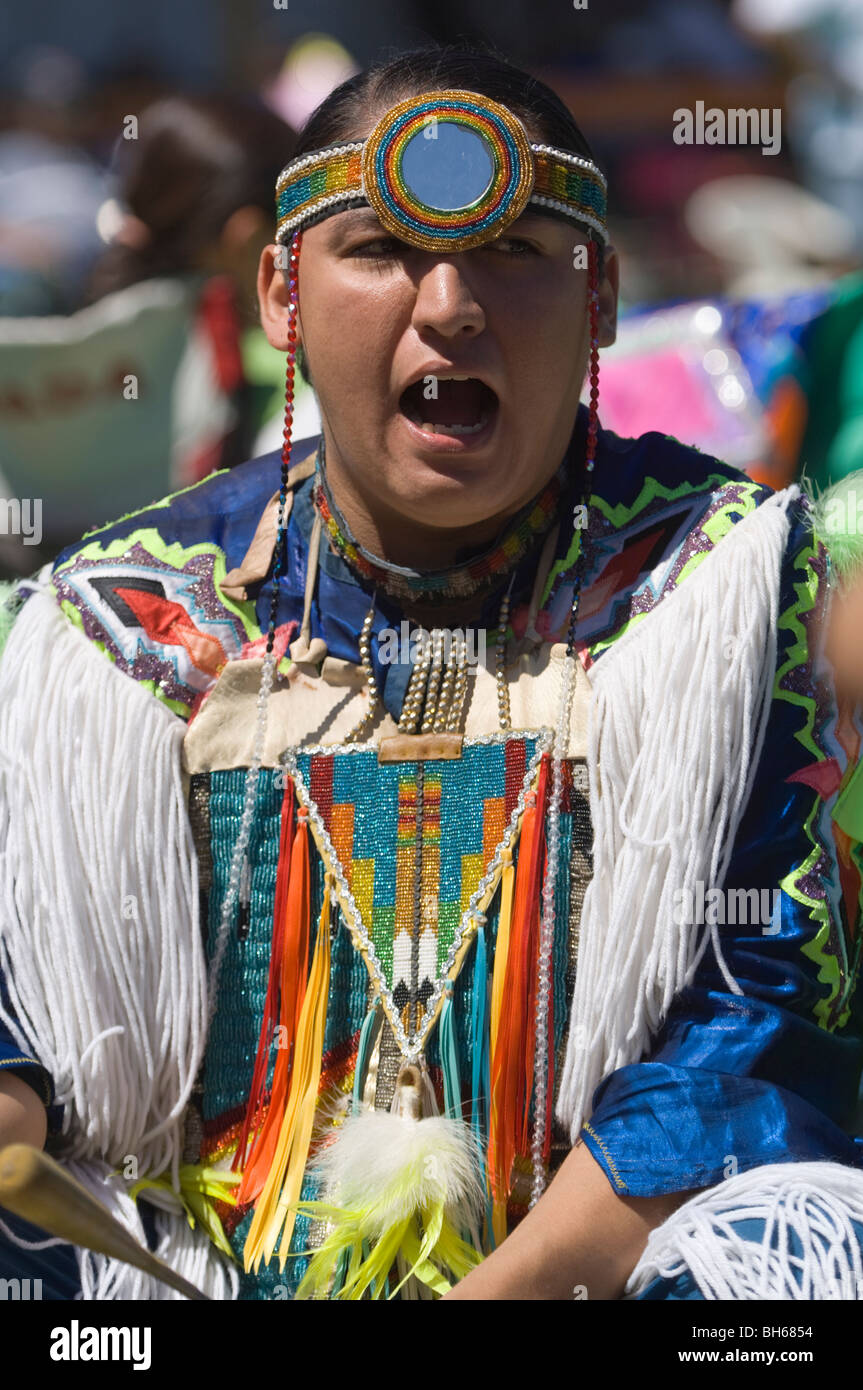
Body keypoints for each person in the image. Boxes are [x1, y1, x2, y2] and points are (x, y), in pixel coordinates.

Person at [1, 42, 863, 1302]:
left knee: (790, 1260)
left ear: (603, 295)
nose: (449, 306)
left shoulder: (722, 584)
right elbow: (27, 1014)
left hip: (589, 1280)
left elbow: (753, 1032)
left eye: (516, 251)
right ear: (282, 296)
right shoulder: (113, 627)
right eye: (380, 251)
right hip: (180, 1285)